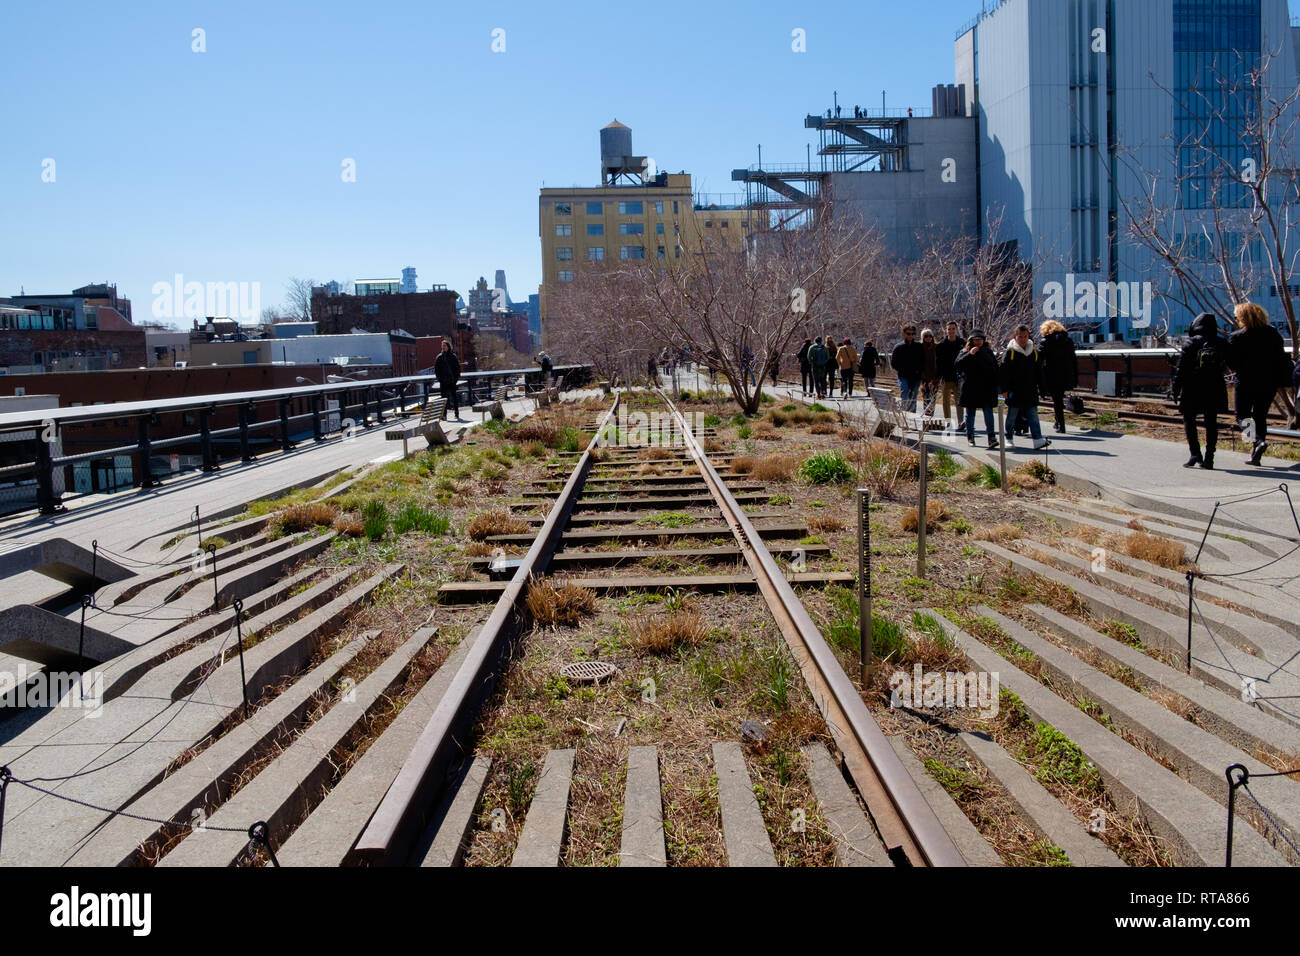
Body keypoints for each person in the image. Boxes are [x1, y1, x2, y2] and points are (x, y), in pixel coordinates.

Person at [1227, 301, 1289, 466]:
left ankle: (1257, 441)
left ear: (1243, 317)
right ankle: (1256, 454)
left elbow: (1232, 363)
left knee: (1242, 416)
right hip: (1268, 382)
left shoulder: (1237, 337)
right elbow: (1280, 357)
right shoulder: (1273, 334)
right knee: (1260, 416)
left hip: (1245, 382)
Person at [1171, 312, 1228, 469]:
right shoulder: (1222, 343)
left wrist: (1175, 389)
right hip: (1215, 387)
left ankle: (1195, 454)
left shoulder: (1190, 343)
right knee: (1211, 422)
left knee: (1189, 420)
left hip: (1192, 388)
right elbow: (1231, 364)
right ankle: (1210, 457)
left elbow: (1181, 370)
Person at [1000, 324, 1051, 450]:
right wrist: (1004, 389)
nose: (1023, 339)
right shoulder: (1010, 352)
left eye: (1025, 336)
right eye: (1020, 336)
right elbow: (1004, 373)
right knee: (1012, 416)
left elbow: (1039, 372)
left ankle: (1037, 439)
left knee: (1033, 415)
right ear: (1015, 337)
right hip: (1014, 391)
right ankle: (1008, 438)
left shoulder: (1034, 352)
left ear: (1028, 336)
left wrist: (1043, 389)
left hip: (1030, 390)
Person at [955, 329, 999, 447]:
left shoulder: (988, 352)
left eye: (980, 340)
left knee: (988, 412)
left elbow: (995, 367)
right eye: (976, 340)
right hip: (970, 387)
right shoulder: (965, 351)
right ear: (971, 340)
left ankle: (991, 437)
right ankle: (970, 436)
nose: (978, 342)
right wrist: (970, 354)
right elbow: (958, 365)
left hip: (986, 387)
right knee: (970, 413)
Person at [1039, 319, 1079, 433]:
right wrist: (1075, 376)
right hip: (1066, 373)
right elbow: (1073, 359)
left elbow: (1040, 359)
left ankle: (1061, 425)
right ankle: (1058, 422)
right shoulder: (1068, 341)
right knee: (1059, 398)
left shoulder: (1046, 341)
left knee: (1057, 399)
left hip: (1052, 374)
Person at [934, 321, 966, 429]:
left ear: (956, 330)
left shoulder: (962, 343)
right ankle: (947, 421)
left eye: (953, 329)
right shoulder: (941, 345)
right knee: (946, 400)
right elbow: (937, 362)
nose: (951, 331)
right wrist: (939, 376)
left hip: (958, 377)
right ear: (946, 331)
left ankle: (961, 421)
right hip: (946, 376)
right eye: (949, 329)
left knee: (959, 400)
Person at [891, 325, 923, 410]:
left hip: (916, 377)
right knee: (905, 395)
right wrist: (902, 369)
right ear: (904, 334)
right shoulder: (898, 347)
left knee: (913, 397)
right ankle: (905, 415)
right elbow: (893, 363)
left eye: (913, 334)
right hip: (903, 376)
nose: (911, 336)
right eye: (908, 334)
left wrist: (918, 370)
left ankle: (912, 416)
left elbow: (923, 361)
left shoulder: (919, 346)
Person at [434, 340, 461, 420]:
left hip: (452, 381)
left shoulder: (453, 356)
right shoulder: (439, 357)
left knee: (454, 397)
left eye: (444, 345)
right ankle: (444, 415)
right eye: (442, 345)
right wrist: (440, 379)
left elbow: (457, 369)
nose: (443, 347)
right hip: (443, 381)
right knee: (443, 399)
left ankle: (456, 413)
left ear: (448, 346)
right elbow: (437, 370)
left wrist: (455, 379)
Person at [919, 328, 940, 413]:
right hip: (923, 377)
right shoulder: (920, 347)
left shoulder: (936, 347)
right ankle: (926, 418)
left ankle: (930, 416)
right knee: (925, 397)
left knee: (932, 399)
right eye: (926, 336)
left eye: (930, 336)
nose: (928, 338)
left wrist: (937, 376)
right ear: (922, 337)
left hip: (934, 377)